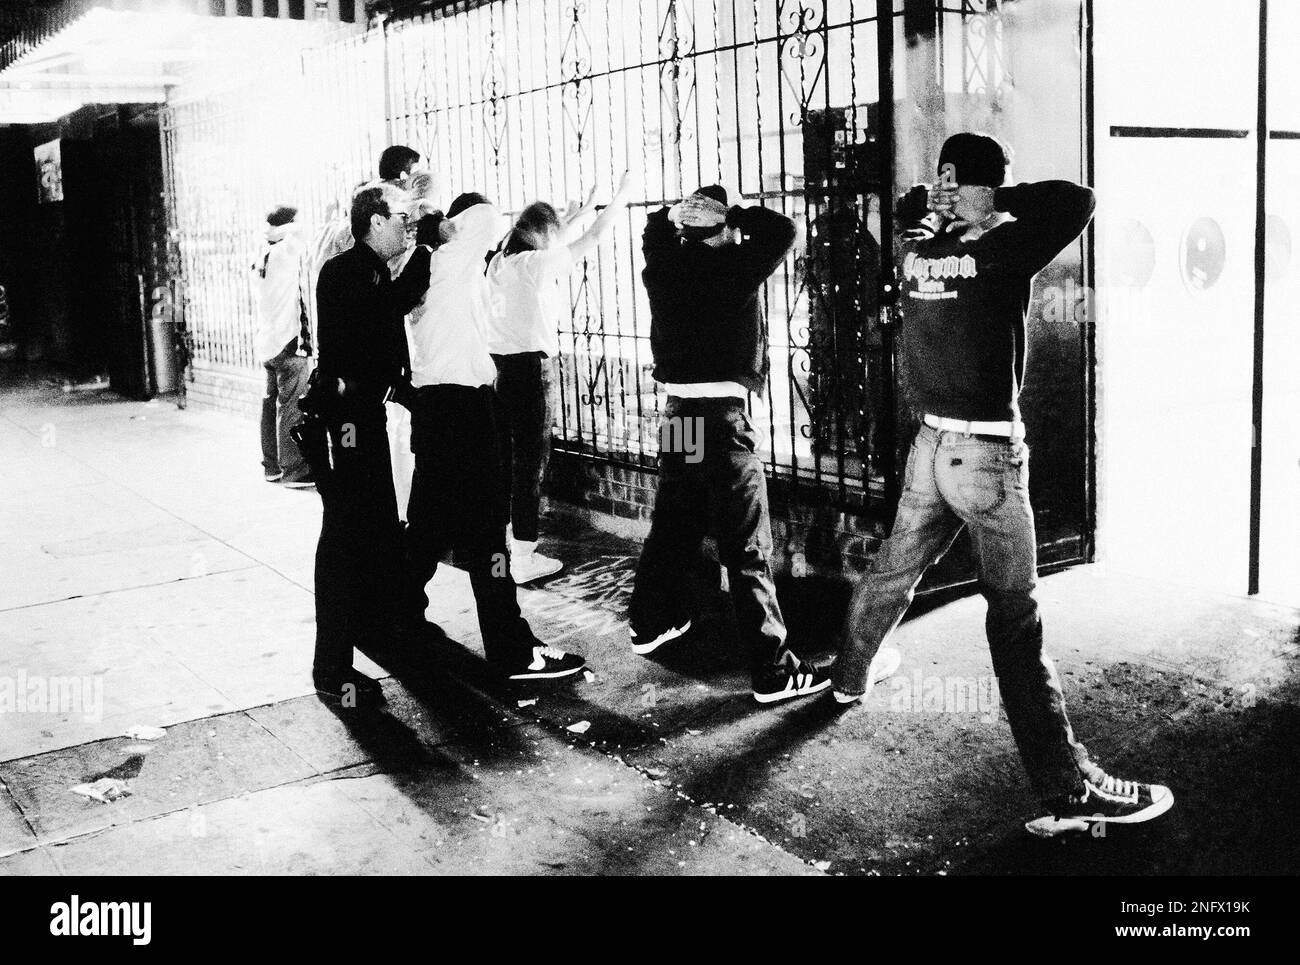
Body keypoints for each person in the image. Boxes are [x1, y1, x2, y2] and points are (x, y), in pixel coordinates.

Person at [834, 132, 1173, 834]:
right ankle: (1069, 787)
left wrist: (951, 202)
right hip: (985, 459)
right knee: (1016, 619)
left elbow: (910, 221)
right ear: (989, 185)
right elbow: (1081, 199)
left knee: (894, 569)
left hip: (928, 449)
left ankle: (848, 678)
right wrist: (996, 199)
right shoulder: (999, 250)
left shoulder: (918, 251)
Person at [628, 186, 900, 705]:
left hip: (680, 416)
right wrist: (731, 214)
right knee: (747, 544)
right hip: (721, 421)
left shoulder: (662, 267)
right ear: (724, 228)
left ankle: (650, 621)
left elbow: (653, 232)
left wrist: (677, 215)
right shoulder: (734, 267)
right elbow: (783, 230)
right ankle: (774, 671)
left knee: (674, 522)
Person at [404, 191, 586, 680]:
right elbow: (485, 216)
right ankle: (513, 650)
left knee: (426, 527)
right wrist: (439, 218)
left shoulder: (428, 268)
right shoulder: (452, 256)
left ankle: (395, 617)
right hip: (463, 410)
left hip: (435, 409)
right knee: (488, 537)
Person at [309, 182, 433, 706]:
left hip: (361, 418)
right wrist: (427, 251)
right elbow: (392, 309)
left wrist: (407, 395)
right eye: (401, 218)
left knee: (376, 527)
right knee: (345, 536)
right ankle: (331, 668)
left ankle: (373, 629)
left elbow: (374, 345)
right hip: (346, 426)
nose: (406, 226)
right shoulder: (349, 271)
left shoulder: (367, 269)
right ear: (375, 221)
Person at [486, 173, 634, 584]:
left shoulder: (500, 260)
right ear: (544, 236)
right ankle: (523, 557)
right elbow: (589, 242)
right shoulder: (535, 264)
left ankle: (498, 551)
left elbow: (548, 241)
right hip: (532, 371)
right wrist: (617, 201)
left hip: (498, 368)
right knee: (530, 464)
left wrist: (578, 213)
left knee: (505, 461)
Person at [251, 204, 313, 487]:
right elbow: (303, 232)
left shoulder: (262, 253)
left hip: (267, 342)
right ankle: (295, 470)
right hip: (288, 341)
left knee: (271, 405)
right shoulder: (285, 252)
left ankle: (271, 466)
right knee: (291, 406)